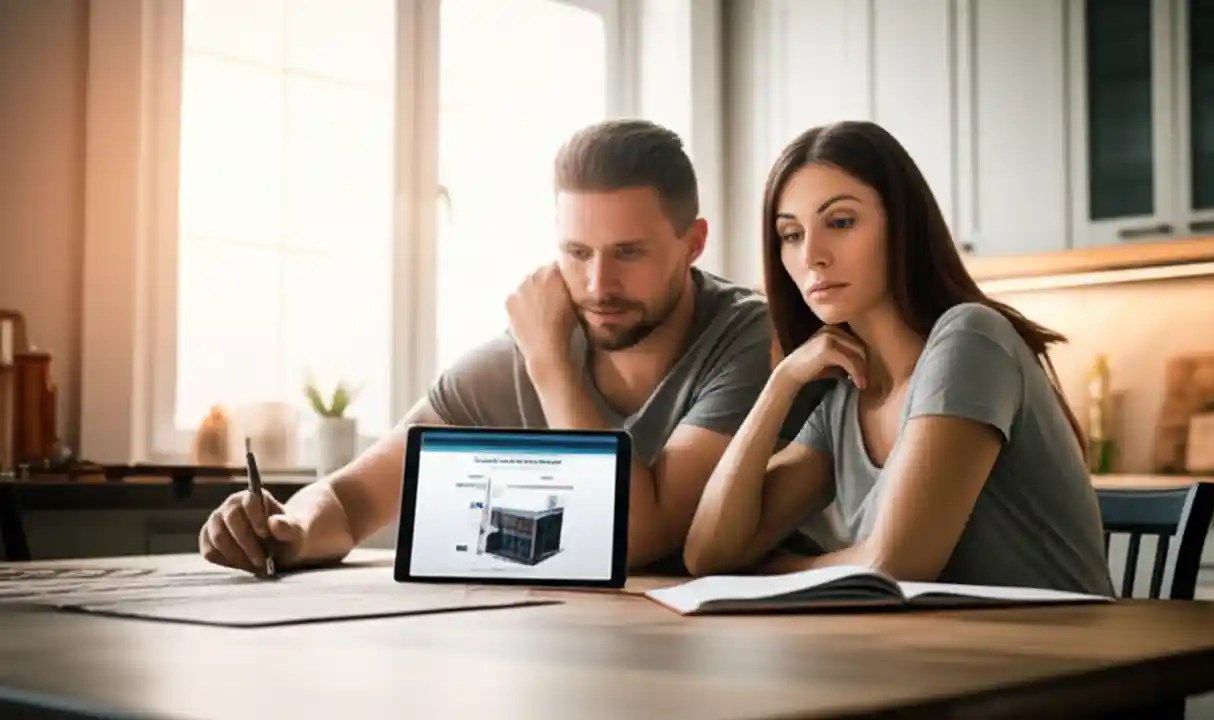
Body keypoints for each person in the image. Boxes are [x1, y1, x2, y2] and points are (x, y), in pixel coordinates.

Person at [198, 119, 819, 575]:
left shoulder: (751, 337)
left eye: (628, 253)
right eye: (577, 253)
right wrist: (288, 528)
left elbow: (637, 536)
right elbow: (350, 498)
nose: (597, 285)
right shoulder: (517, 353)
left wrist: (550, 365)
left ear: (693, 243)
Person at [683, 121, 1114, 596]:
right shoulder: (846, 399)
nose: (812, 256)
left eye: (840, 222)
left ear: (902, 225)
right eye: (791, 234)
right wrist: (781, 383)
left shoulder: (970, 340)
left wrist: (769, 571)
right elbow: (708, 554)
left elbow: (892, 567)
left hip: (1057, 641)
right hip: (937, 643)